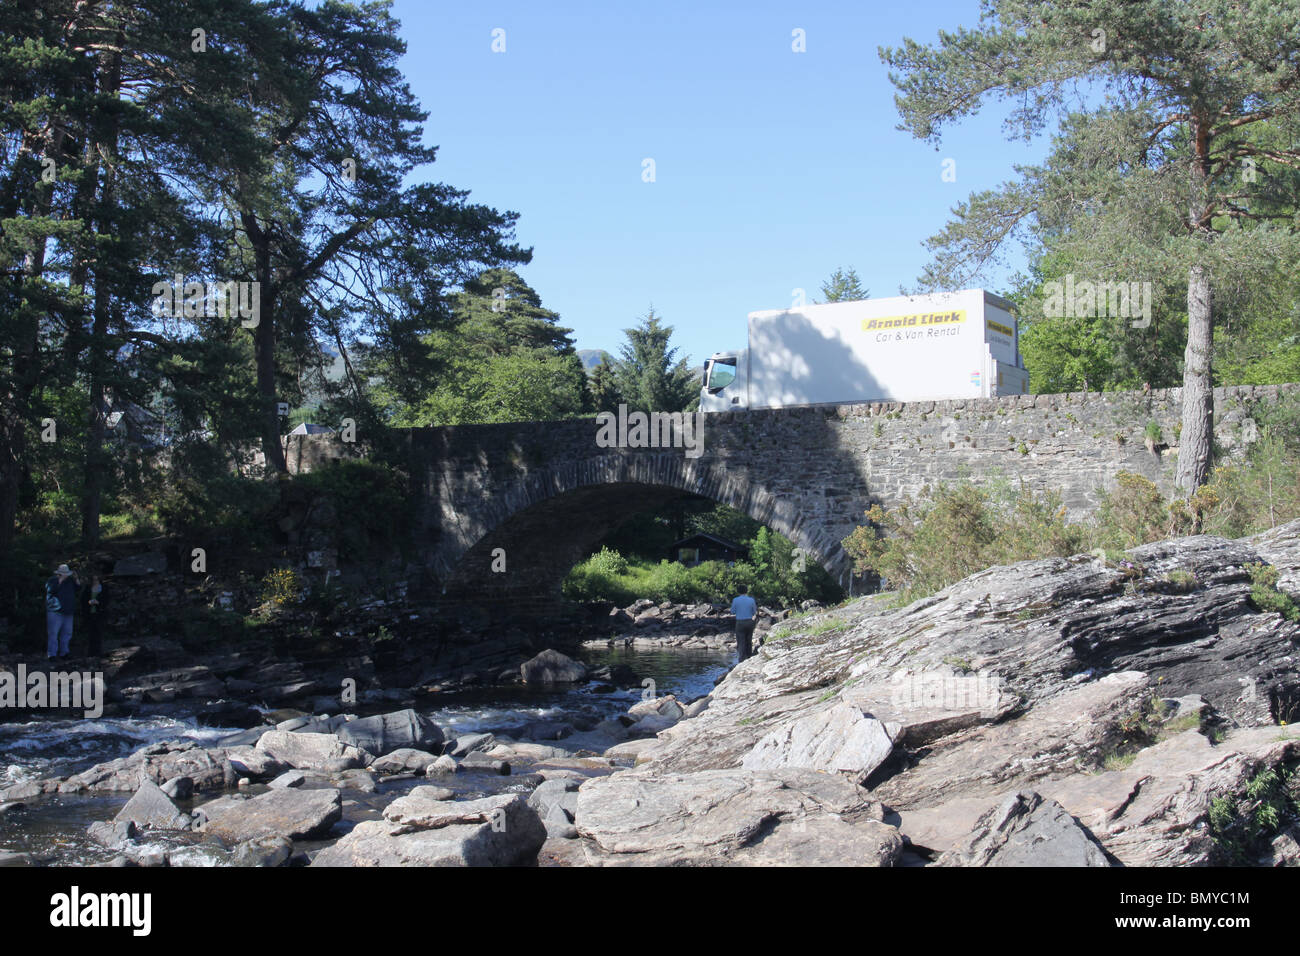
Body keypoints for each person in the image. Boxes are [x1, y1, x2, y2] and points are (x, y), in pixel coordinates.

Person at [45, 563, 80, 660]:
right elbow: (51, 590)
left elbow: (78, 588)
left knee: (67, 633)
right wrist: (60, 581)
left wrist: (76, 579)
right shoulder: (52, 580)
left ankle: (64, 652)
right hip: (55, 610)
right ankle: (52, 654)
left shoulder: (70, 581)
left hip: (68, 610)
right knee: (53, 633)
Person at [82, 572, 111, 657]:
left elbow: (107, 600)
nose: (95, 581)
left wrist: (98, 602)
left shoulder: (104, 588)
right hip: (90, 612)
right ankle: (91, 652)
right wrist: (88, 602)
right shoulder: (88, 588)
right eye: (94, 580)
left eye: (96, 579)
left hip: (100, 613)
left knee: (99, 632)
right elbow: (83, 599)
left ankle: (98, 651)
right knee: (91, 633)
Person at [730, 584, 758, 662]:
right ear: (746, 591)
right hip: (749, 622)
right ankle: (749, 657)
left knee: (741, 641)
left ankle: (742, 659)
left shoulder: (735, 600)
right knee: (749, 640)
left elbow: (732, 612)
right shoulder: (751, 600)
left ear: (738, 591)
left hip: (740, 622)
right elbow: (754, 612)